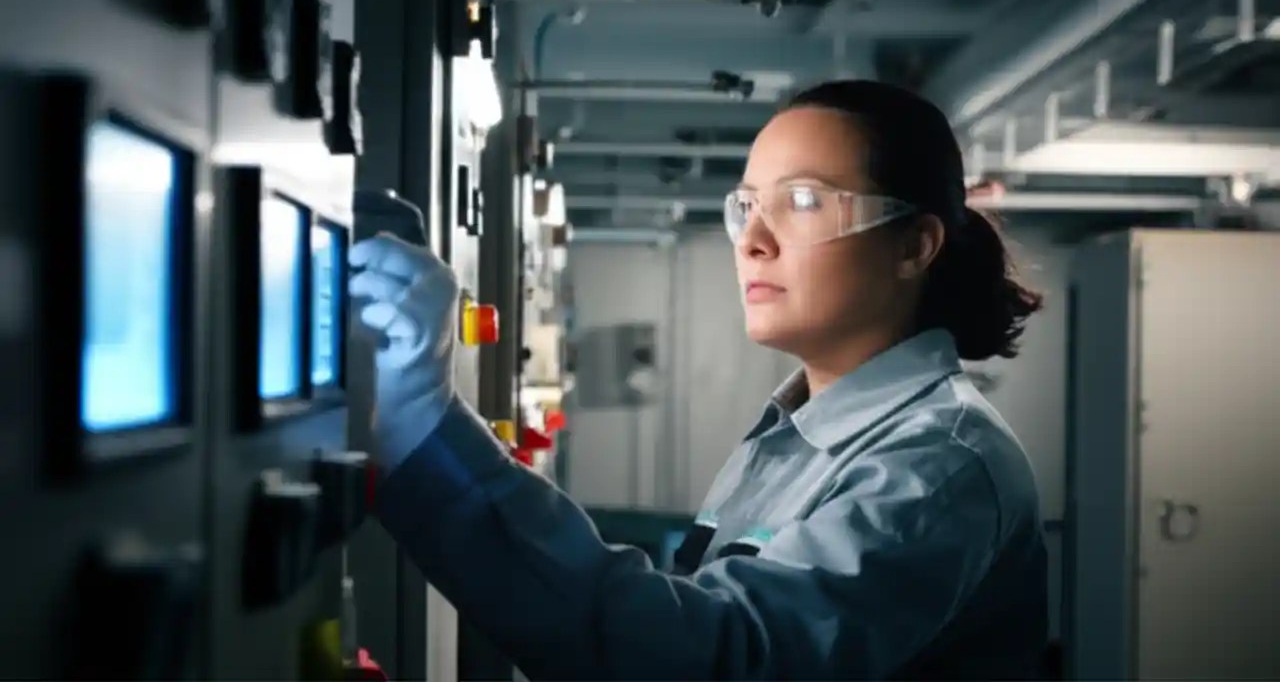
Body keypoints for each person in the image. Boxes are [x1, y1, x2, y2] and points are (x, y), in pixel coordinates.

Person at [348, 80, 1049, 680]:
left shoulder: (937, 464)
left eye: (804, 202)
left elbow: (718, 660)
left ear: (913, 246)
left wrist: (428, 432)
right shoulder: (794, 433)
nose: (753, 240)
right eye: (747, 205)